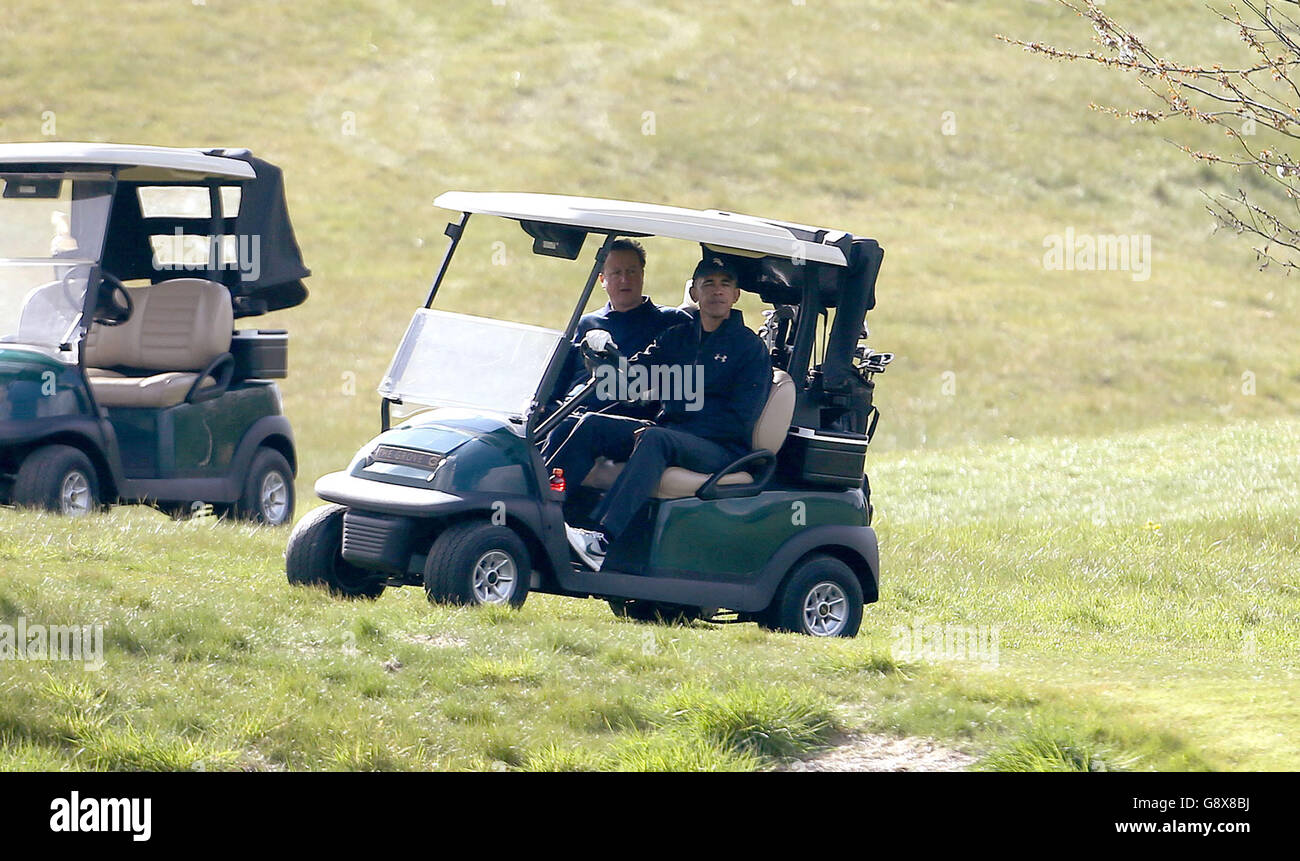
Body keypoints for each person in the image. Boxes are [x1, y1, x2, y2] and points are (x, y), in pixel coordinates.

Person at [547, 256, 772, 570]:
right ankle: (543, 512)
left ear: (736, 295)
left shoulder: (749, 349)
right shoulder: (679, 336)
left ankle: (602, 540)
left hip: (721, 449)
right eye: (708, 284)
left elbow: (740, 420)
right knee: (590, 424)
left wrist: (673, 434)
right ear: (694, 293)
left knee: (655, 438)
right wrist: (608, 362)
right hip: (669, 434)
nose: (717, 292)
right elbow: (636, 374)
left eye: (725, 285)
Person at [541, 238, 690, 458]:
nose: (624, 279)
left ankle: (545, 492)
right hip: (575, 411)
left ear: (642, 275)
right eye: (616, 273)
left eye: (632, 272)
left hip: (626, 421)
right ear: (602, 279)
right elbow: (558, 380)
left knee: (568, 427)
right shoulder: (586, 324)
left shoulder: (672, 322)